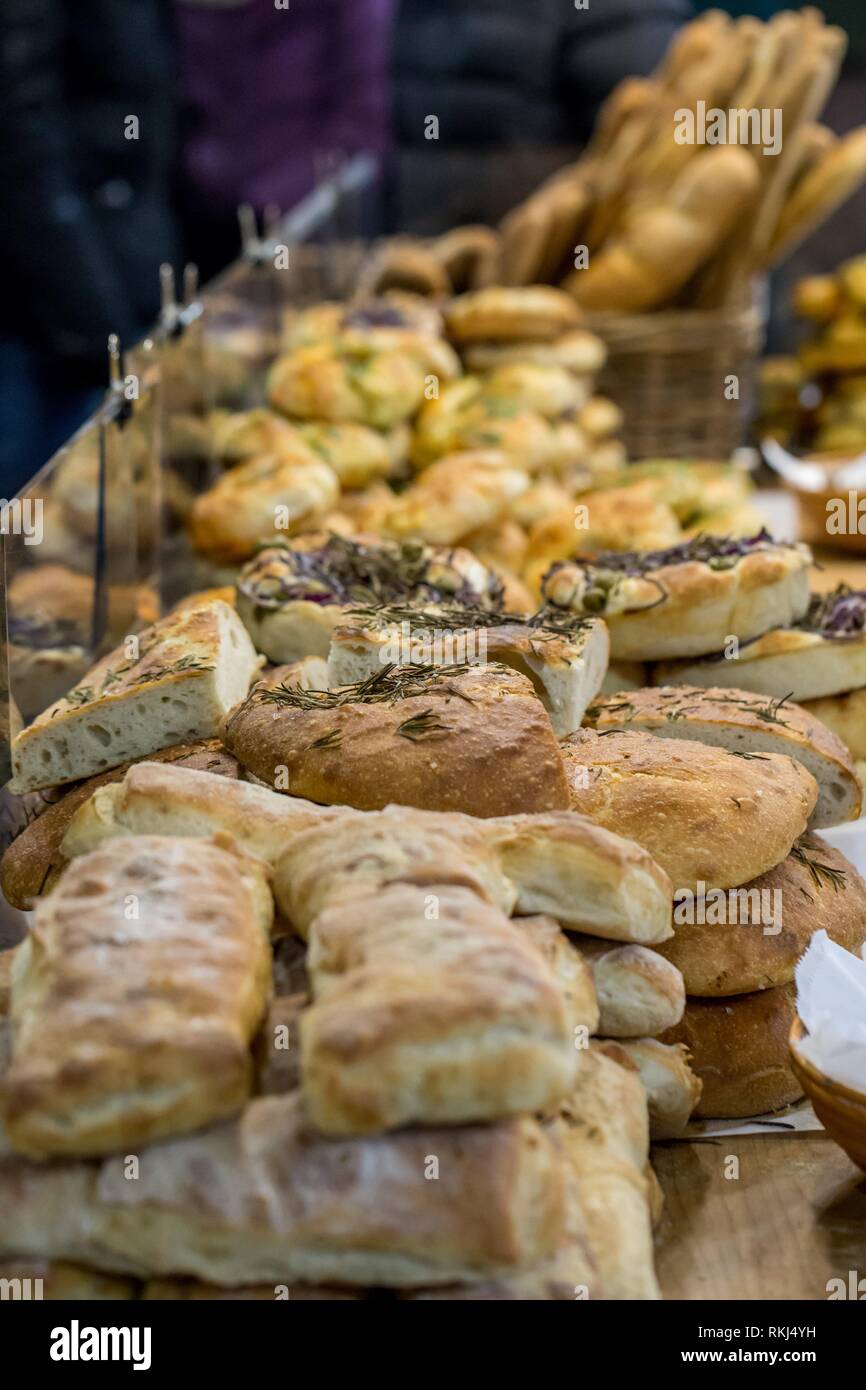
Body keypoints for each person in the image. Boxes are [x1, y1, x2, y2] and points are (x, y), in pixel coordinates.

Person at [0, 0, 182, 495]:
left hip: (113, 275)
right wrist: (102, 328)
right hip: (51, 313)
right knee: (37, 522)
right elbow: (22, 148)